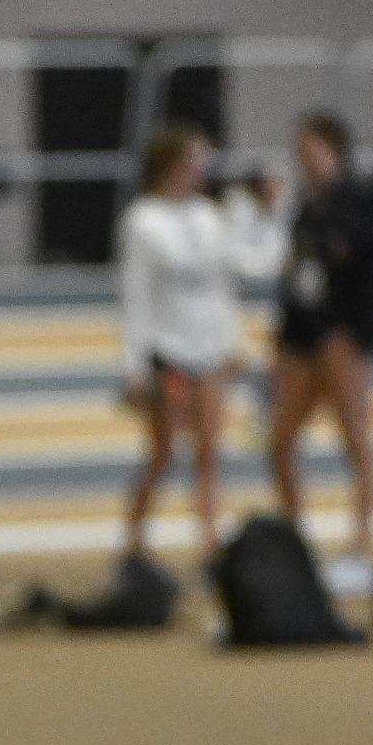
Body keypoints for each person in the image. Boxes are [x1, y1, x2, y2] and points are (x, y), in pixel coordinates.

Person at [270, 113, 373, 596]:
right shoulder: (306, 207)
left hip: (343, 336)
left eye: (315, 151)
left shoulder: (364, 200)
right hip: (302, 335)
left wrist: (355, 332)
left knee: (356, 438)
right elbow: (298, 274)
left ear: (336, 152)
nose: (307, 160)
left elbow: (369, 262)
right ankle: (294, 538)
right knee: (281, 437)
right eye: (302, 152)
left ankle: (362, 546)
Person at [114, 127, 244, 562]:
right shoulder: (143, 219)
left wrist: (234, 340)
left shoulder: (208, 215)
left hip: (209, 346)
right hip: (168, 349)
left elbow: (223, 284)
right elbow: (136, 295)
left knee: (210, 450)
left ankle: (212, 545)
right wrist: (134, 363)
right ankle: (134, 541)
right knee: (164, 452)